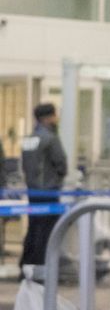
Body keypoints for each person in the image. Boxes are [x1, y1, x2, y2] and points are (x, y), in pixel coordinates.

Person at [20, 103, 68, 275]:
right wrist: (57, 179)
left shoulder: (29, 139)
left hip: (33, 192)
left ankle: (26, 265)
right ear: (48, 118)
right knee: (46, 232)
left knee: (33, 229)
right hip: (49, 192)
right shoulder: (51, 139)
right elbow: (61, 164)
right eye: (54, 115)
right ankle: (40, 269)